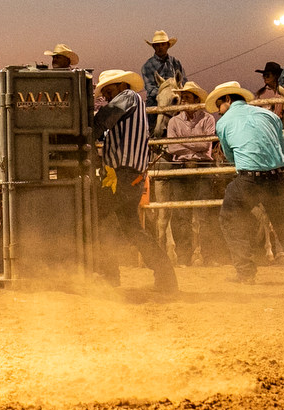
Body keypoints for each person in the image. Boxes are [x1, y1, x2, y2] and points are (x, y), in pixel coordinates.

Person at [211, 81, 284, 286]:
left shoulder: (223, 124)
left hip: (249, 179)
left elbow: (231, 156)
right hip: (276, 177)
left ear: (228, 99)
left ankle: (245, 272)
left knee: (229, 217)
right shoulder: (269, 116)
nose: (218, 111)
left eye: (219, 105)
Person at [90, 69, 178, 292]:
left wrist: (83, 131)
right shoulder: (132, 105)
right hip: (128, 177)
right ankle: (166, 278)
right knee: (132, 229)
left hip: (123, 176)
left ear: (122, 86)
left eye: (109, 90)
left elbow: (101, 121)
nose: (106, 96)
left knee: (94, 217)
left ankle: (109, 275)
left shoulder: (128, 97)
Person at [157, 81, 223, 266]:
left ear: (196, 99)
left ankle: (208, 256)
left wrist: (183, 143)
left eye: (187, 97)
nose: (184, 101)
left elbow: (205, 144)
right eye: (182, 97)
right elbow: (173, 147)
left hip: (202, 165)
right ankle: (185, 256)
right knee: (181, 213)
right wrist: (195, 144)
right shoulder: (175, 121)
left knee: (204, 212)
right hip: (182, 166)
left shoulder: (207, 119)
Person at [140, 31, 186, 125]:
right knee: (150, 114)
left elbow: (184, 80)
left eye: (163, 44)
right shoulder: (147, 66)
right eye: (157, 45)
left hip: (176, 97)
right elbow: (150, 88)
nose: (160, 47)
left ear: (168, 45)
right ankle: (151, 129)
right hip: (156, 99)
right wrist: (166, 94)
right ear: (154, 47)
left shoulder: (176, 62)